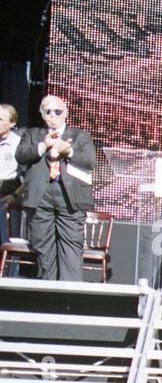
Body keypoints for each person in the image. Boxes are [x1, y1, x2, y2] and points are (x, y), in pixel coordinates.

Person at [14, 95, 96, 281]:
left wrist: (70, 152)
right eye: (47, 111)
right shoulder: (33, 134)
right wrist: (43, 145)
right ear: (41, 113)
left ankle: (71, 296)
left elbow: (90, 161)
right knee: (43, 247)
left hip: (70, 196)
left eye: (57, 111)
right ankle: (48, 293)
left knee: (71, 246)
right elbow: (21, 155)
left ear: (66, 113)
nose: (52, 115)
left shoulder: (79, 135)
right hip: (40, 195)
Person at [0, 104, 23, 247]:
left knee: (8, 239)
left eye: (1, 119)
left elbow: (28, 178)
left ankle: (9, 268)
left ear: (12, 123)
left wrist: (15, 195)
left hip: (9, 193)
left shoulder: (19, 144)